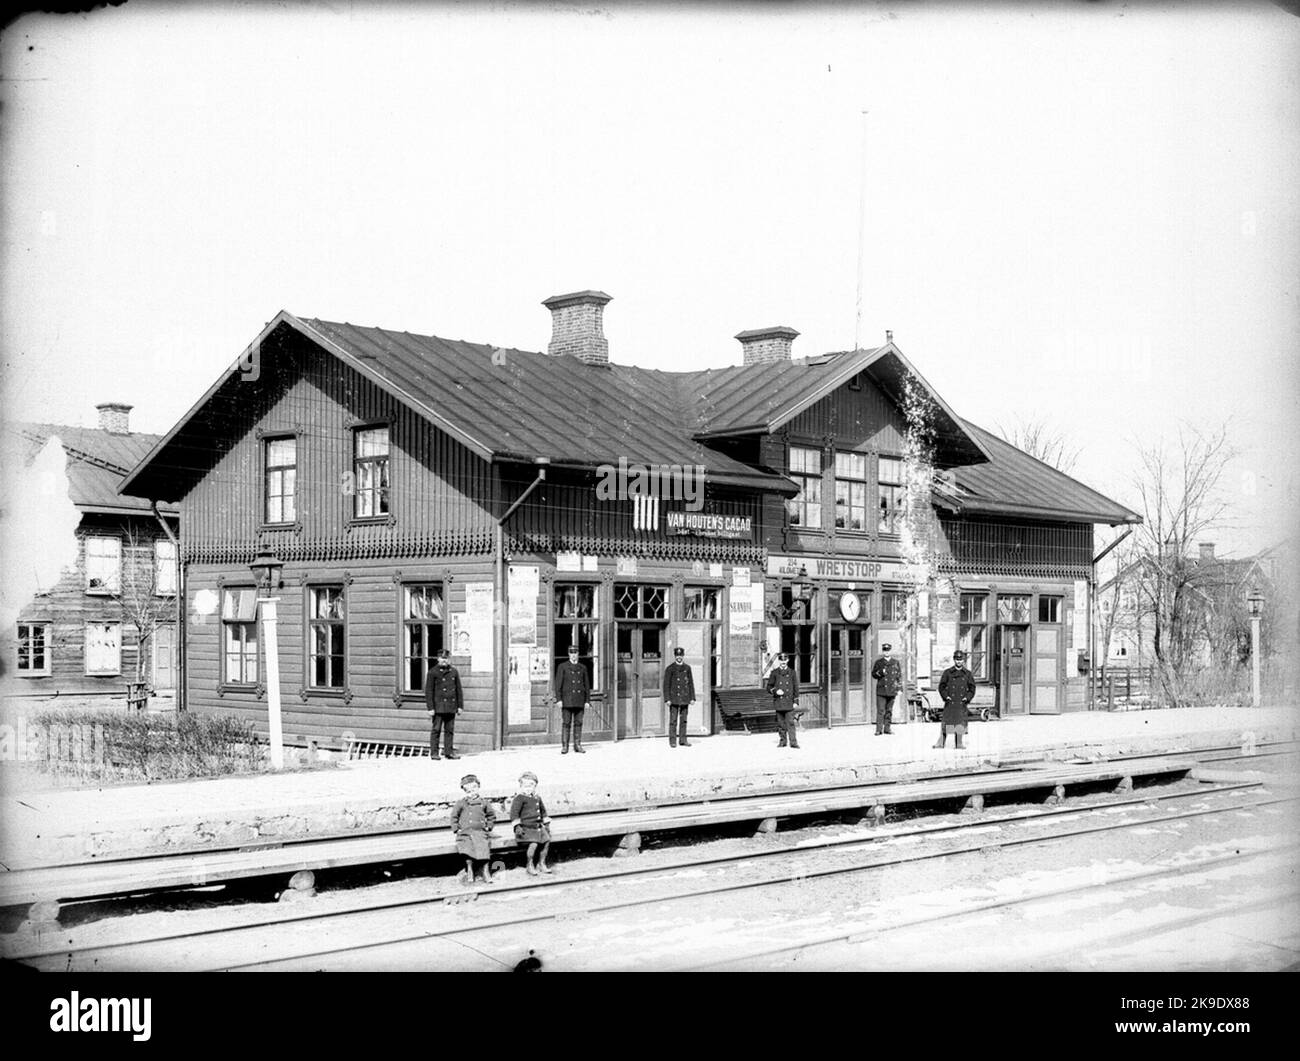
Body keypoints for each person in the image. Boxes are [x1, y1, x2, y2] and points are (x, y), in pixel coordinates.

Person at [450, 773, 497, 885]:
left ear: (478, 787)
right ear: (465, 791)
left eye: (474, 788)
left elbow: (491, 815)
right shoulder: (461, 803)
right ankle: (469, 870)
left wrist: (488, 826)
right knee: (467, 849)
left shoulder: (484, 803)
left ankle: (485, 871)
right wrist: (457, 829)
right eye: (468, 790)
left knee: (484, 848)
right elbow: (454, 816)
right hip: (466, 833)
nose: (472, 792)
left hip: (480, 832)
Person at [510, 771, 553, 876]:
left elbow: (543, 811)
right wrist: (517, 826)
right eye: (525, 786)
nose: (528, 788)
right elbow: (514, 814)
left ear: (535, 786)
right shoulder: (519, 798)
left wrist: (546, 824)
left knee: (546, 841)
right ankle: (530, 865)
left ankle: (542, 863)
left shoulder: (537, 798)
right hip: (526, 828)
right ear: (521, 786)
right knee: (533, 844)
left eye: (531, 786)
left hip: (537, 827)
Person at [424, 647, 463, 760]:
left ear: (449, 659)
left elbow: (458, 690)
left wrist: (460, 706)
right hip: (438, 707)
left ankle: (449, 752)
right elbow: (429, 691)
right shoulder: (432, 672)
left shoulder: (454, 672)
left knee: (449, 730)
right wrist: (430, 708)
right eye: (442, 658)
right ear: (438, 659)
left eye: (446, 658)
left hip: (451, 706)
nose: (444, 660)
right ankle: (434, 753)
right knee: (436, 730)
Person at [935, 649, 976, 749]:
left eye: (961, 659)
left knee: (960, 722)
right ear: (954, 660)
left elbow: (972, 688)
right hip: (950, 702)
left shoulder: (967, 674)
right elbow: (941, 686)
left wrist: (967, 697)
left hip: (961, 702)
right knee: (946, 722)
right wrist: (946, 696)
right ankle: (941, 743)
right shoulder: (948, 672)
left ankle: (959, 743)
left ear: (963, 661)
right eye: (957, 659)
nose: (959, 661)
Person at [553, 645, 590, 754]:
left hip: (579, 699)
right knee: (566, 723)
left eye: (575, 653)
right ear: (569, 654)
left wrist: (587, 701)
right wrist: (559, 699)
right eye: (572, 653)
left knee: (578, 723)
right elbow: (558, 685)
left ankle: (577, 745)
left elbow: (586, 685)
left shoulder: (583, 667)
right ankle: (565, 746)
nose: (574, 655)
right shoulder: (562, 667)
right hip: (567, 700)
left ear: (578, 654)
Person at [765, 652, 800, 749]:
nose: (783, 662)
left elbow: (796, 688)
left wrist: (796, 702)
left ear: (788, 660)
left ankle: (793, 742)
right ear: (779, 661)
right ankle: (783, 741)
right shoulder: (774, 673)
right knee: (781, 724)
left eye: (785, 660)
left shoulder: (792, 672)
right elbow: (768, 687)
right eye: (781, 660)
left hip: (789, 703)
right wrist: (776, 691)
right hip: (779, 702)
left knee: (791, 723)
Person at [662, 646, 696, 748]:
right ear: (675, 656)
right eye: (677, 655)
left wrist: (692, 697)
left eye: (680, 655)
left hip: (685, 697)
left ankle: (683, 740)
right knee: (673, 721)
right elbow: (666, 685)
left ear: (683, 656)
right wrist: (667, 699)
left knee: (684, 720)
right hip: (674, 698)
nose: (679, 657)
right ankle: (672, 741)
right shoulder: (670, 668)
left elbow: (690, 683)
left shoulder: (687, 668)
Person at [870, 642, 902, 736]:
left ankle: (887, 729)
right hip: (881, 690)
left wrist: (899, 689)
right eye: (884, 650)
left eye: (888, 650)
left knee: (889, 710)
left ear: (890, 651)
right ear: (883, 651)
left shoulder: (895, 662)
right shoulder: (878, 662)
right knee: (881, 710)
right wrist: (881, 672)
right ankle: (879, 729)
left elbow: (899, 676)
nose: (886, 652)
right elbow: (874, 674)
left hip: (892, 690)